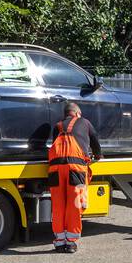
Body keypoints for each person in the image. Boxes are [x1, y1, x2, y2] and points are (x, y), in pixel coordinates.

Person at [48, 101, 102, 253]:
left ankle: (59, 242)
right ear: (78, 114)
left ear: (66, 115)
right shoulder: (84, 122)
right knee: (74, 205)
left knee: (58, 205)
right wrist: (98, 155)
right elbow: (95, 139)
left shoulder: (57, 126)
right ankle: (71, 242)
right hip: (75, 169)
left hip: (55, 169)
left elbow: (54, 145)